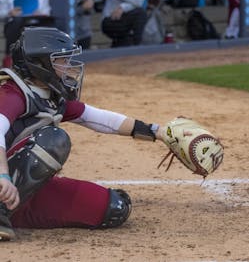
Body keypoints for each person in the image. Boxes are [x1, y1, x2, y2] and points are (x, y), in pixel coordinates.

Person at [0, 27, 172, 240]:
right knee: (53, 140)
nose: (68, 67)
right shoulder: (12, 93)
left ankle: (12, 212)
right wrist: (3, 176)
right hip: (3, 181)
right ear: (40, 64)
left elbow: (98, 118)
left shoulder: (49, 96)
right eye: (60, 60)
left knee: (114, 208)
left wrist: (159, 132)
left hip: (16, 192)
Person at [0, 0, 52, 68]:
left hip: (35, 21)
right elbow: (1, 13)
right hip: (15, 24)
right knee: (17, 21)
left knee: (50, 22)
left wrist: (40, 12)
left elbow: (47, 10)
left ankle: (46, 59)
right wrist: (10, 12)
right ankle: (11, 57)